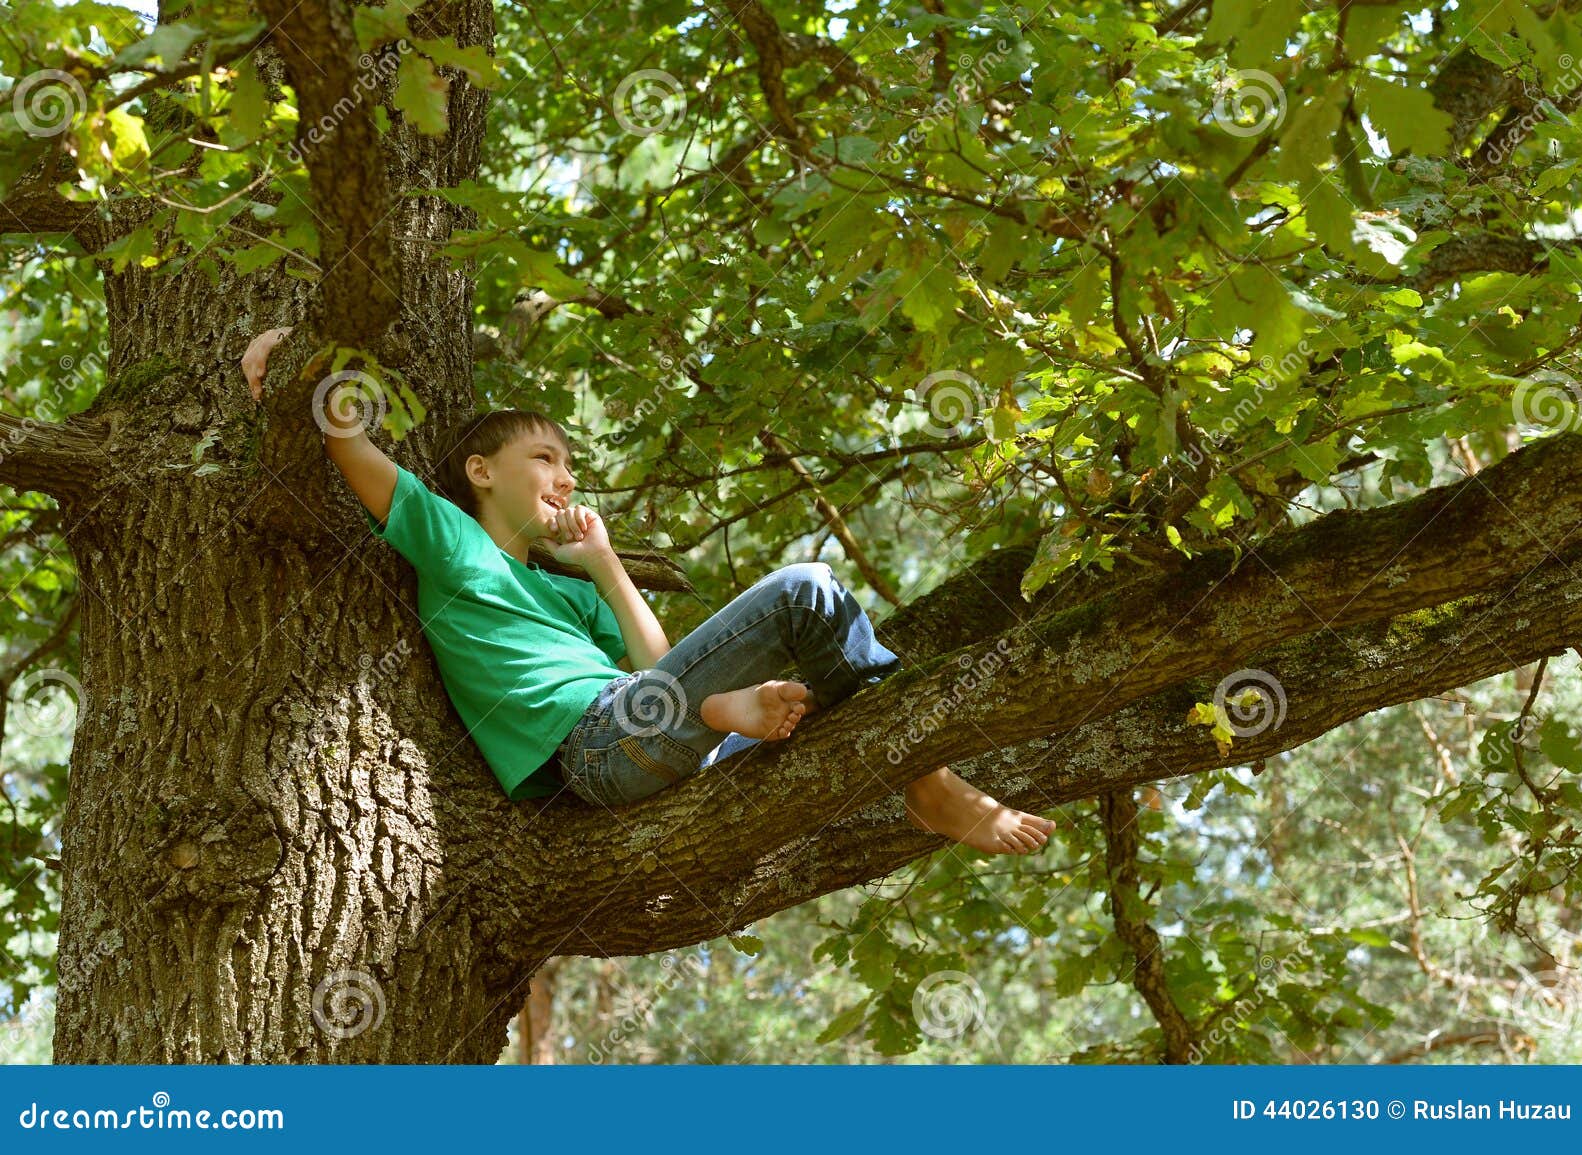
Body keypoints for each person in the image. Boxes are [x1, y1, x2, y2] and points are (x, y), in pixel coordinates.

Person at [241, 328, 1056, 854]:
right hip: (592, 754)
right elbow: (350, 446)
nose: (565, 476)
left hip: (655, 735)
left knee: (811, 687)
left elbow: (658, 667)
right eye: (544, 459)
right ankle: (923, 778)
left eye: (569, 463)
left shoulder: (573, 594)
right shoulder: (454, 541)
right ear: (481, 473)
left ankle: (735, 716)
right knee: (808, 589)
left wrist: (604, 564)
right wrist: (297, 352)